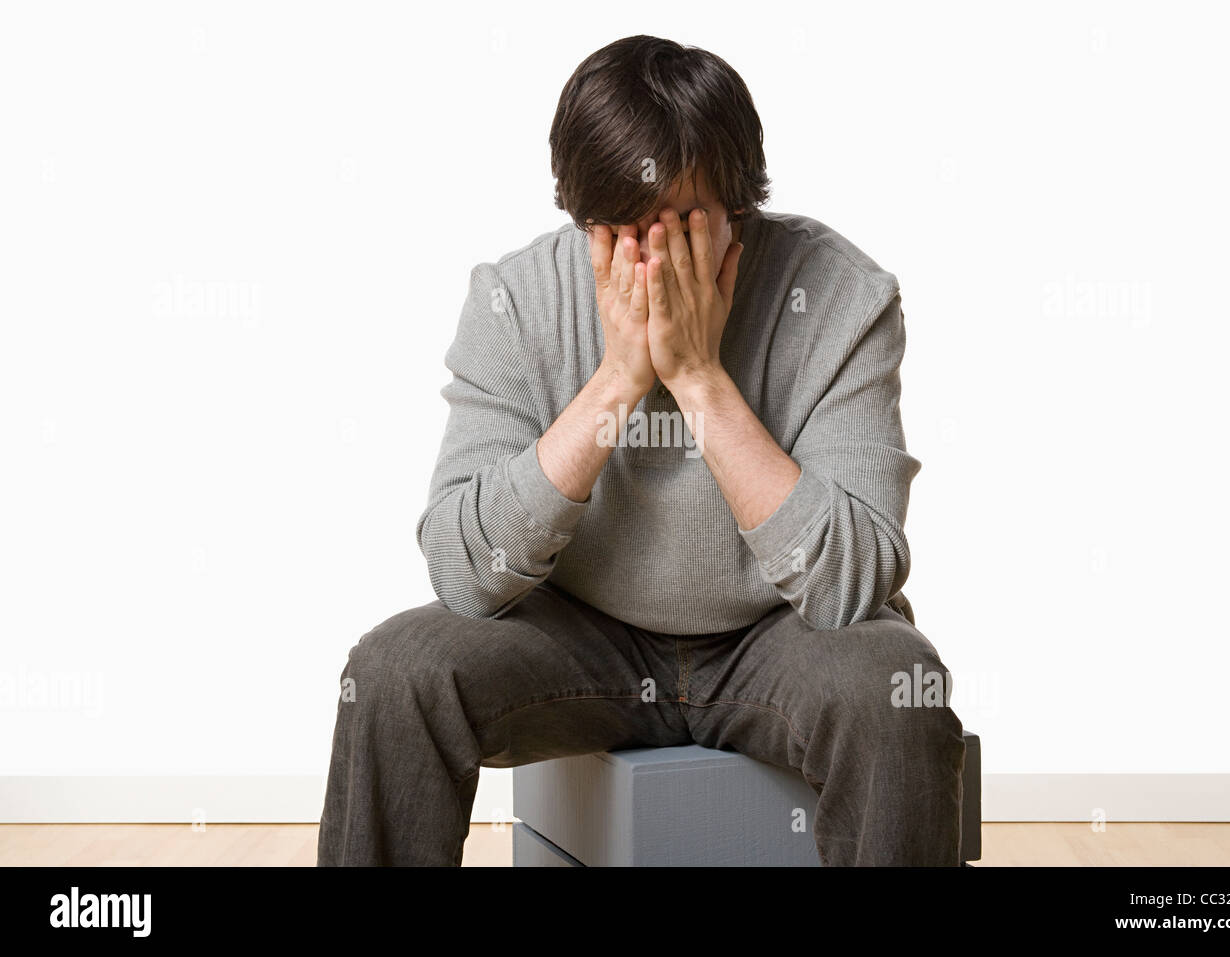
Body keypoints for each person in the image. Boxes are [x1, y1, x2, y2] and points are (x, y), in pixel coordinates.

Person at [317, 34, 965, 867]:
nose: (656, 261)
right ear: (582, 218)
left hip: (778, 634)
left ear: (741, 205)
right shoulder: (517, 300)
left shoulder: (841, 295)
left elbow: (853, 583)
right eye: (624, 230)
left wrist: (700, 379)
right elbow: (461, 569)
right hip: (581, 636)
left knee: (894, 689)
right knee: (393, 671)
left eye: (686, 226)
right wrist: (618, 380)